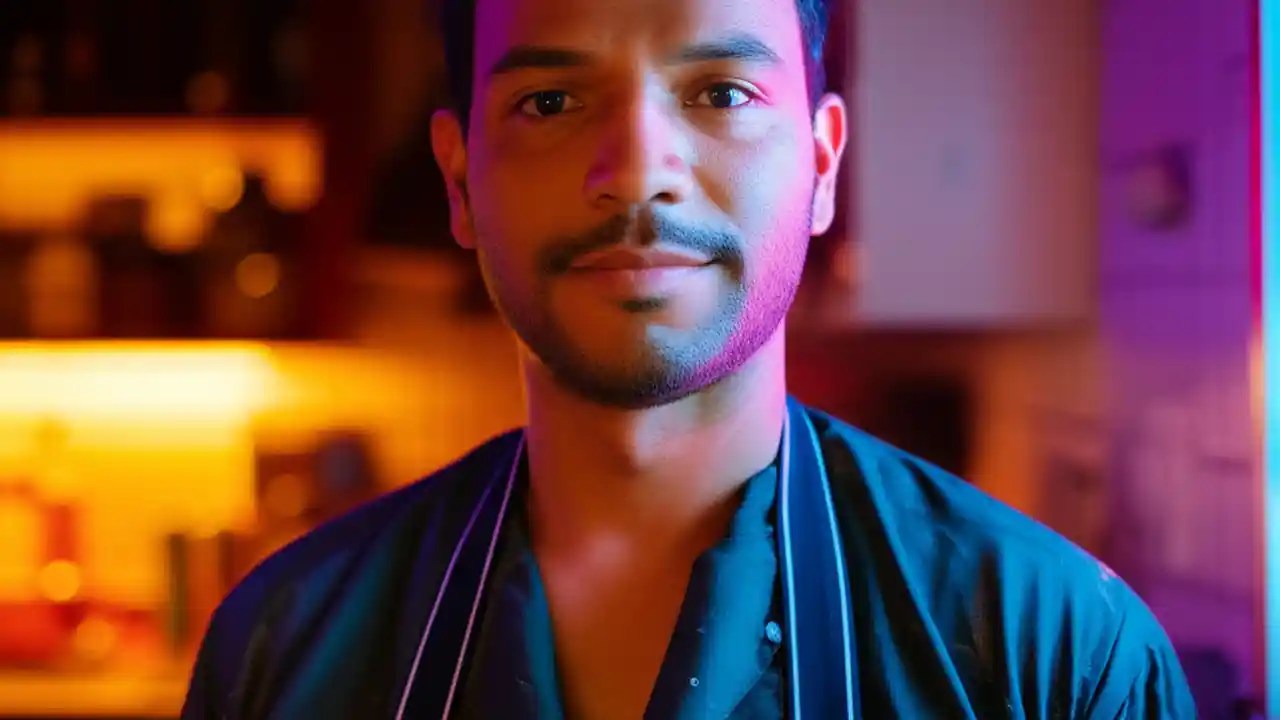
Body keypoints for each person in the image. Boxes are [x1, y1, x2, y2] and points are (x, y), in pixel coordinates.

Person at [182, 0, 1197, 716]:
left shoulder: (1052, 653)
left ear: (819, 163)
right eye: (548, 102)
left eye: (717, 93)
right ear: (458, 182)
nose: (634, 170)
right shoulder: (285, 650)